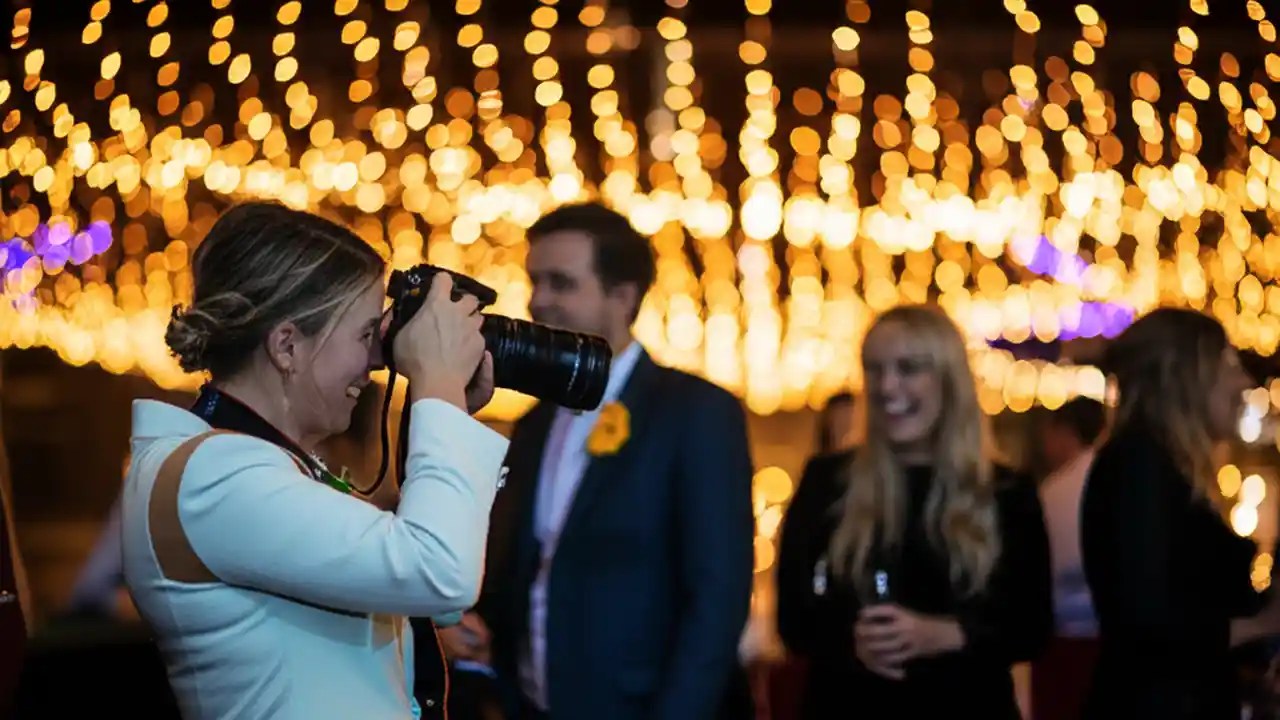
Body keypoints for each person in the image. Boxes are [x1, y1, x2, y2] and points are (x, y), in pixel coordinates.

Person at [120, 202, 508, 720]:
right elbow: (441, 573)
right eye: (367, 335)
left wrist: (447, 409)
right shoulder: (214, 477)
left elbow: (436, 596)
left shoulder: (252, 464)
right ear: (287, 346)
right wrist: (437, 386)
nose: (378, 361)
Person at [435, 201, 755, 720]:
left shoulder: (695, 412)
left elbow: (717, 599)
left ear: (623, 296)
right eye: (534, 281)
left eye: (561, 283)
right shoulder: (535, 423)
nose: (538, 301)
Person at [775, 304, 1052, 718]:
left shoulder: (1005, 492)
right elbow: (793, 621)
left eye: (908, 368)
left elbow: (1033, 628)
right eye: (874, 369)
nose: (887, 386)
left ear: (949, 381)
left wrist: (950, 634)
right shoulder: (828, 481)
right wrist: (852, 642)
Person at [1081, 307, 1280, 718]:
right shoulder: (1140, 465)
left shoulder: (1164, 467)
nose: (1243, 381)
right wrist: (1261, 625)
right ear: (1185, 377)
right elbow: (1149, 623)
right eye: (1226, 363)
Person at [1031, 396, 1106, 720]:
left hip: (1062, 641)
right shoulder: (1112, 478)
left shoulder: (1054, 492)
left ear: (1064, 432)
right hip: (1108, 639)